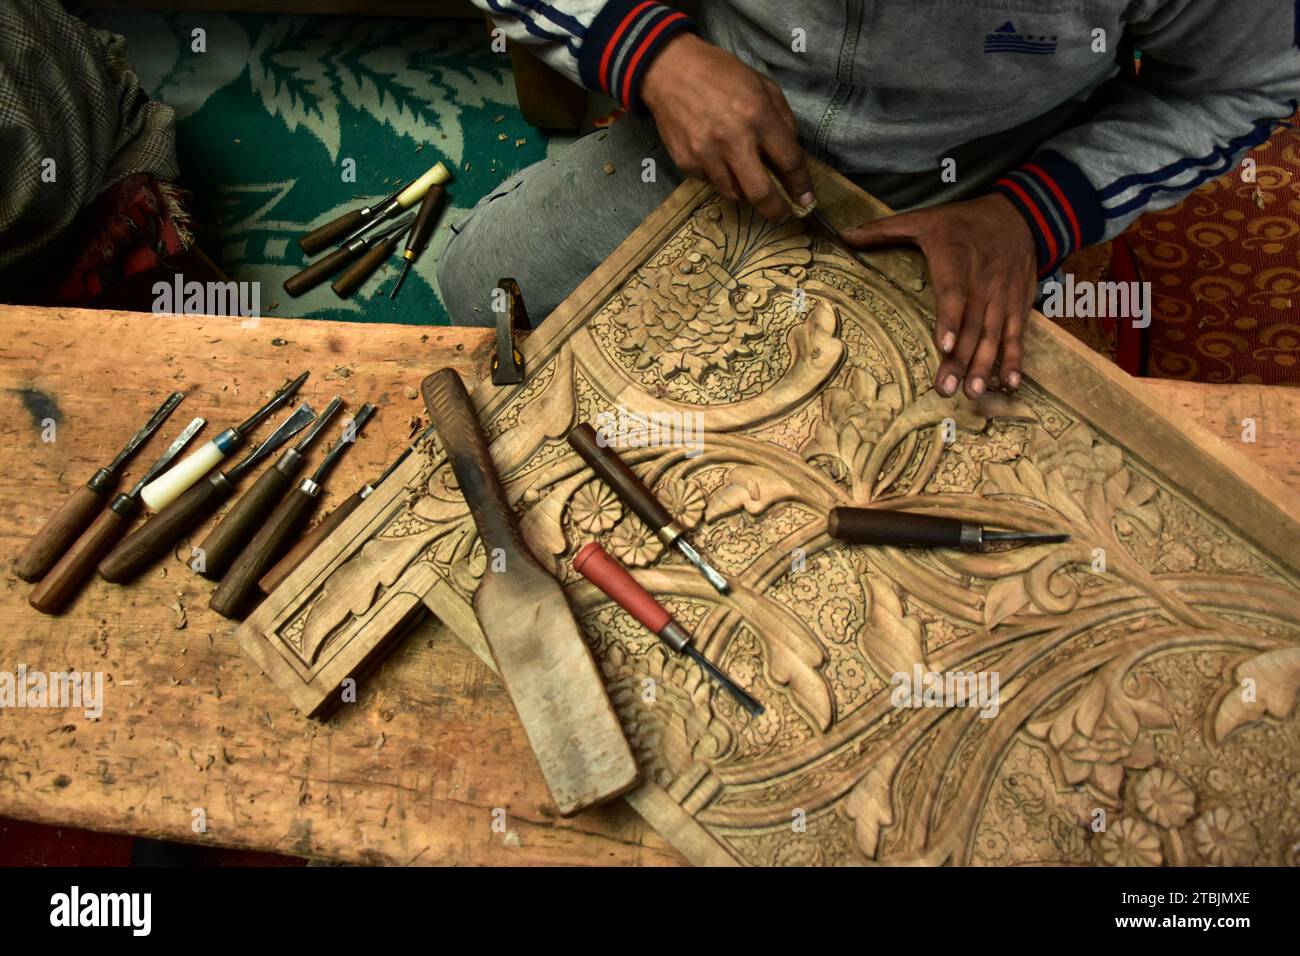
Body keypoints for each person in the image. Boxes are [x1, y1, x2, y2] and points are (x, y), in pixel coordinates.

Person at [439, 1, 1300, 398]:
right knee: (481, 289)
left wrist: (1036, 214)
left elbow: (1239, 86)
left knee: (892, 501)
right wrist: (647, 53)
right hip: (710, 123)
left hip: (973, 190)